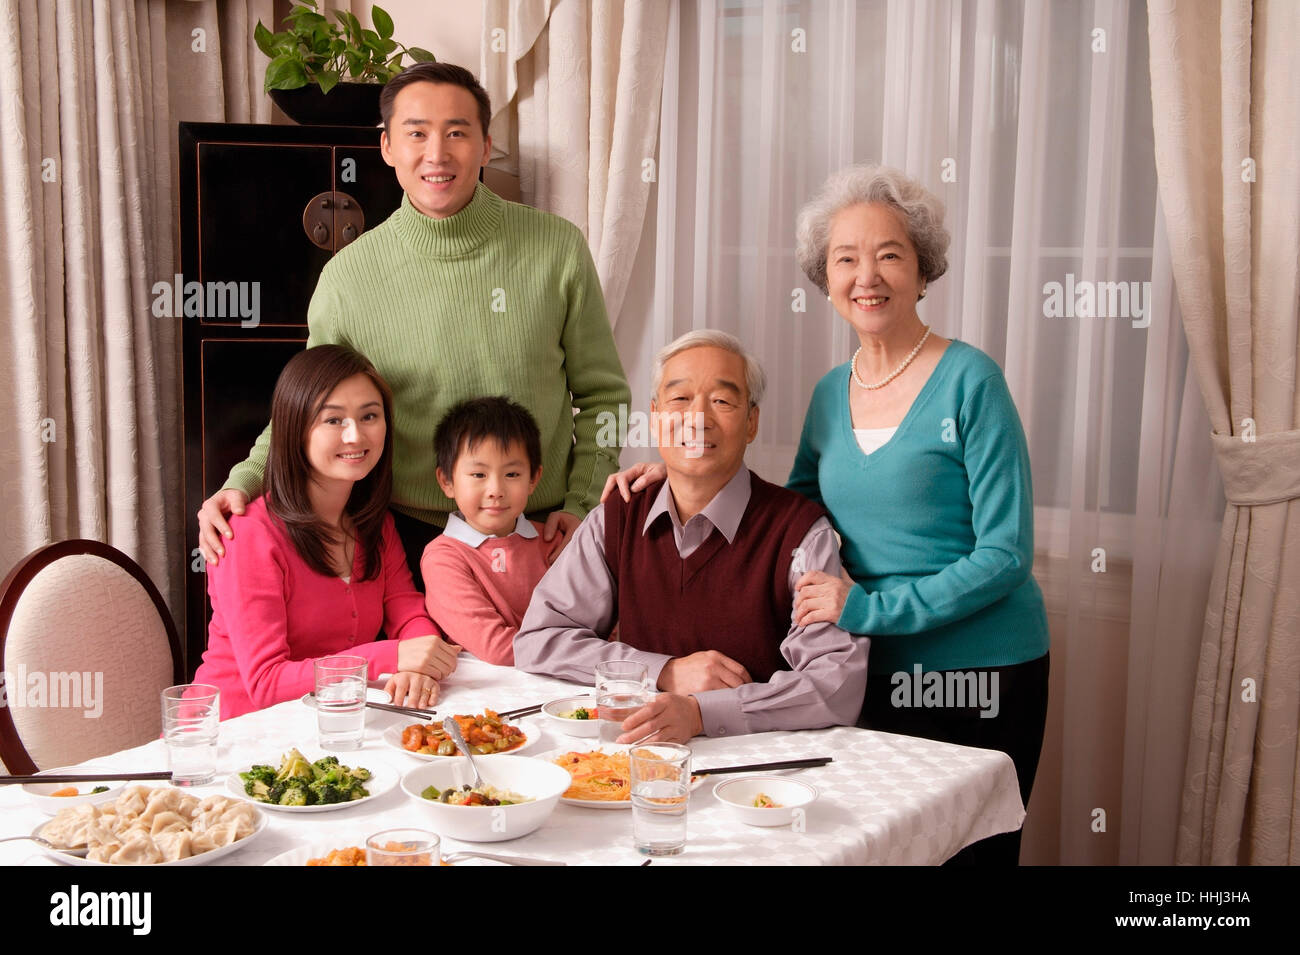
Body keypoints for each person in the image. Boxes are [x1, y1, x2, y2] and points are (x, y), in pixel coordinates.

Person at [604, 166, 1049, 864]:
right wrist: (685, 469)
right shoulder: (828, 393)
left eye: (889, 254)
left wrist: (867, 606)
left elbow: (1006, 553)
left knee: (970, 851)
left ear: (923, 270)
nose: (866, 275)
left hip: (978, 671)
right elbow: (787, 512)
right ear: (826, 278)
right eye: (846, 258)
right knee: (887, 847)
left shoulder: (972, 381)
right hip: (866, 667)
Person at [196, 62, 630, 582]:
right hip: (403, 545)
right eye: (417, 133)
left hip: (540, 535)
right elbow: (307, 410)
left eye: (456, 133)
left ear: (486, 145)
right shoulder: (349, 278)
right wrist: (241, 481)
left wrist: (582, 505)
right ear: (387, 148)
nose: (437, 154)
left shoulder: (558, 249)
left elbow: (604, 397)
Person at [515, 331, 867, 743]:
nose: (697, 418)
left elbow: (837, 685)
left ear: (751, 422)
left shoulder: (801, 533)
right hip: (638, 757)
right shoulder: (618, 514)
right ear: (654, 415)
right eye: (679, 399)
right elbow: (539, 640)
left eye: (722, 400)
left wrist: (704, 713)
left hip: (761, 775)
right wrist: (663, 671)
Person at [193, 345, 460, 720]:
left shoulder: (374, 523)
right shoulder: (250, 534)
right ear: (295, 429)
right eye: (333, 420)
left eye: (370, 415)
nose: (355, 435)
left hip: (331, 726)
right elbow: (266, 683)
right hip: (231, 737)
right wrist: (393, 656)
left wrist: (418, 658)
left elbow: (406, 609)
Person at [420, 397, 550, 666]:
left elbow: (594, 625)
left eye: (512, 474)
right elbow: (496, 648)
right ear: (447, 481)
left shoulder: (553, 542)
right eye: (479, 475)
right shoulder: (443, 557)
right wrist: (579, 652)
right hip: (483, 693)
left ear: (533, 479)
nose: (495, 490)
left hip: (564, 688)